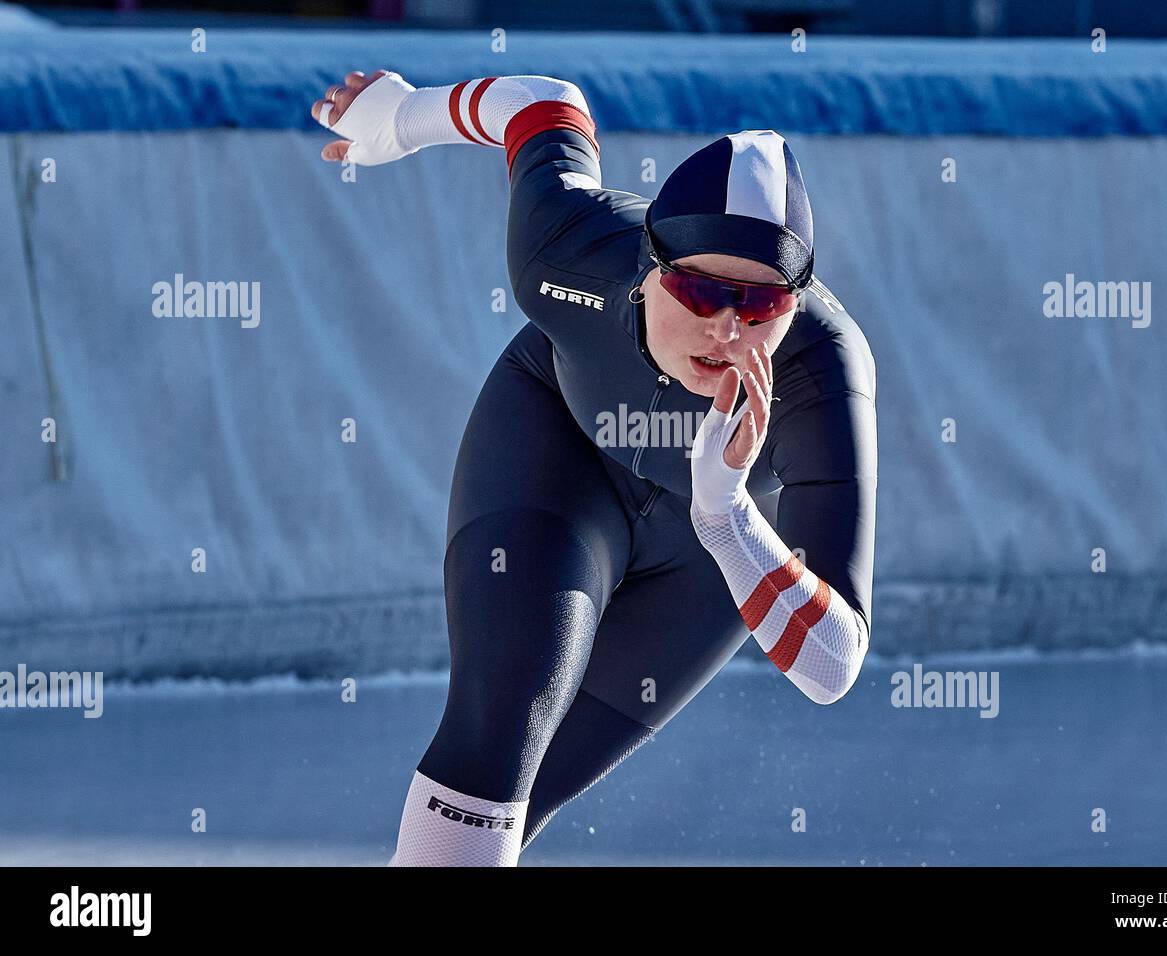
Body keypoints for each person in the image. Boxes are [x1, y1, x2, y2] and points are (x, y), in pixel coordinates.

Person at [312, 71, 878, 866]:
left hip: (711, 547)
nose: (724, 326)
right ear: (649, 266)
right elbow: (542, 104)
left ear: (796, 304)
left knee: (527, 794)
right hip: (557, 446)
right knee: (503, 724)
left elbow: (834, 665)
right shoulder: (569, 242)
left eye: (759, 306)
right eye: (699, 287)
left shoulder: (824, 373)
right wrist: (403, 119)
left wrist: (725, 514)